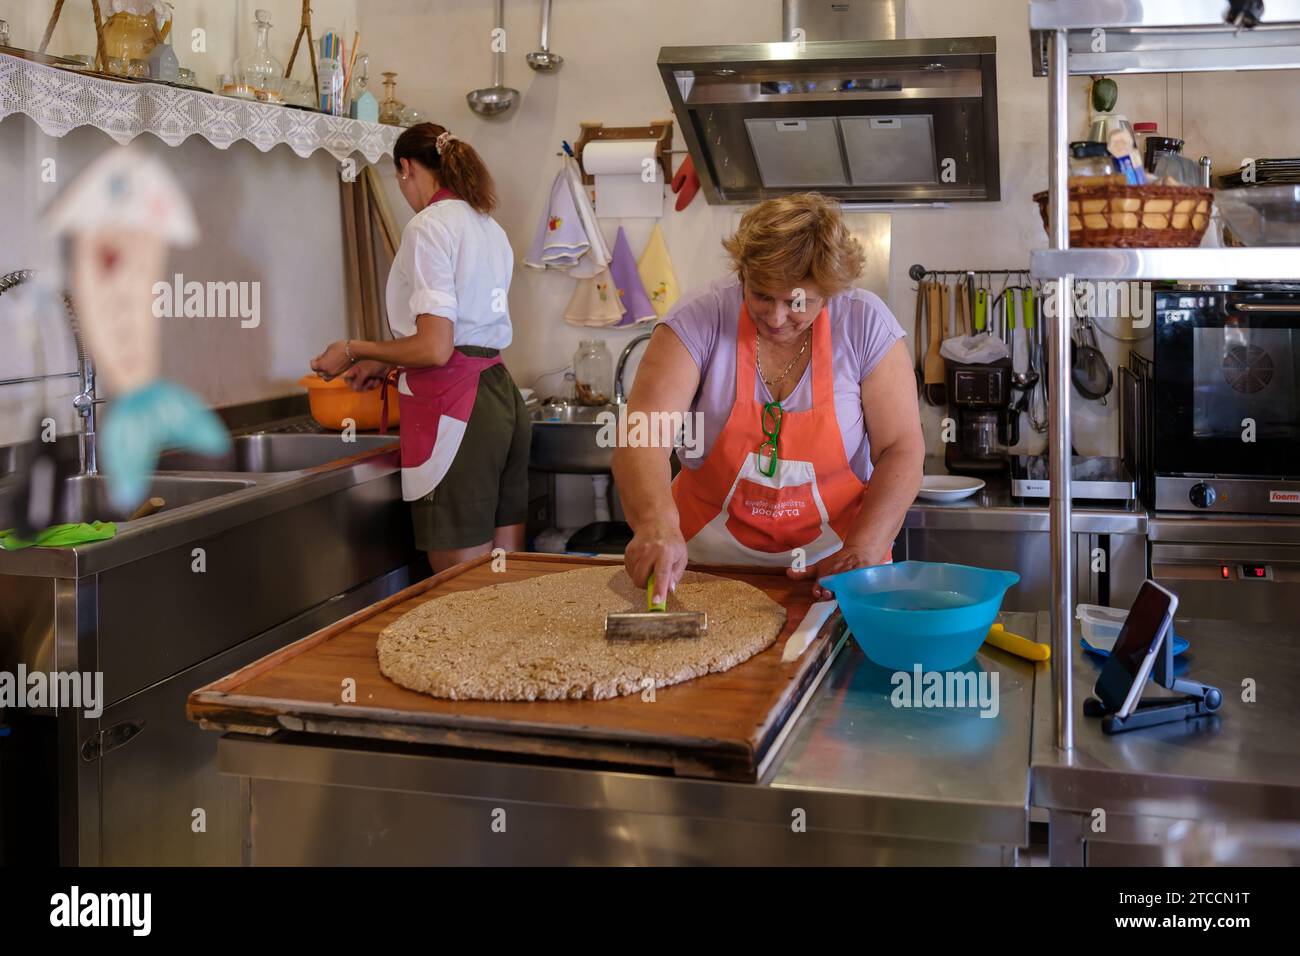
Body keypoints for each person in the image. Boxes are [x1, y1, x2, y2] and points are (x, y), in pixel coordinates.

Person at [613, 193, 924, 601]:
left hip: (834, 571)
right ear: (742, 275)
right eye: (761, 295)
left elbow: (901, 448)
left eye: (797, 303)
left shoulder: (866, 324)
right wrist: (655, 525)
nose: (777, 318)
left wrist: (862, 549)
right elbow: (643, 435)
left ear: (829, 292)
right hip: (704, 569)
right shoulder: (699, 318)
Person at [311, 122, 530, 572]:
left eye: (399, 178)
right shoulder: (489, 227)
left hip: (457, 409)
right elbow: (461, 337)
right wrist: (380, 359)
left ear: (406, 168)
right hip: (499, 399)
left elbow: (435, 348)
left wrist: (353, 349)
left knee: (459, 588)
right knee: (506, 578)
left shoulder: (428, 227)